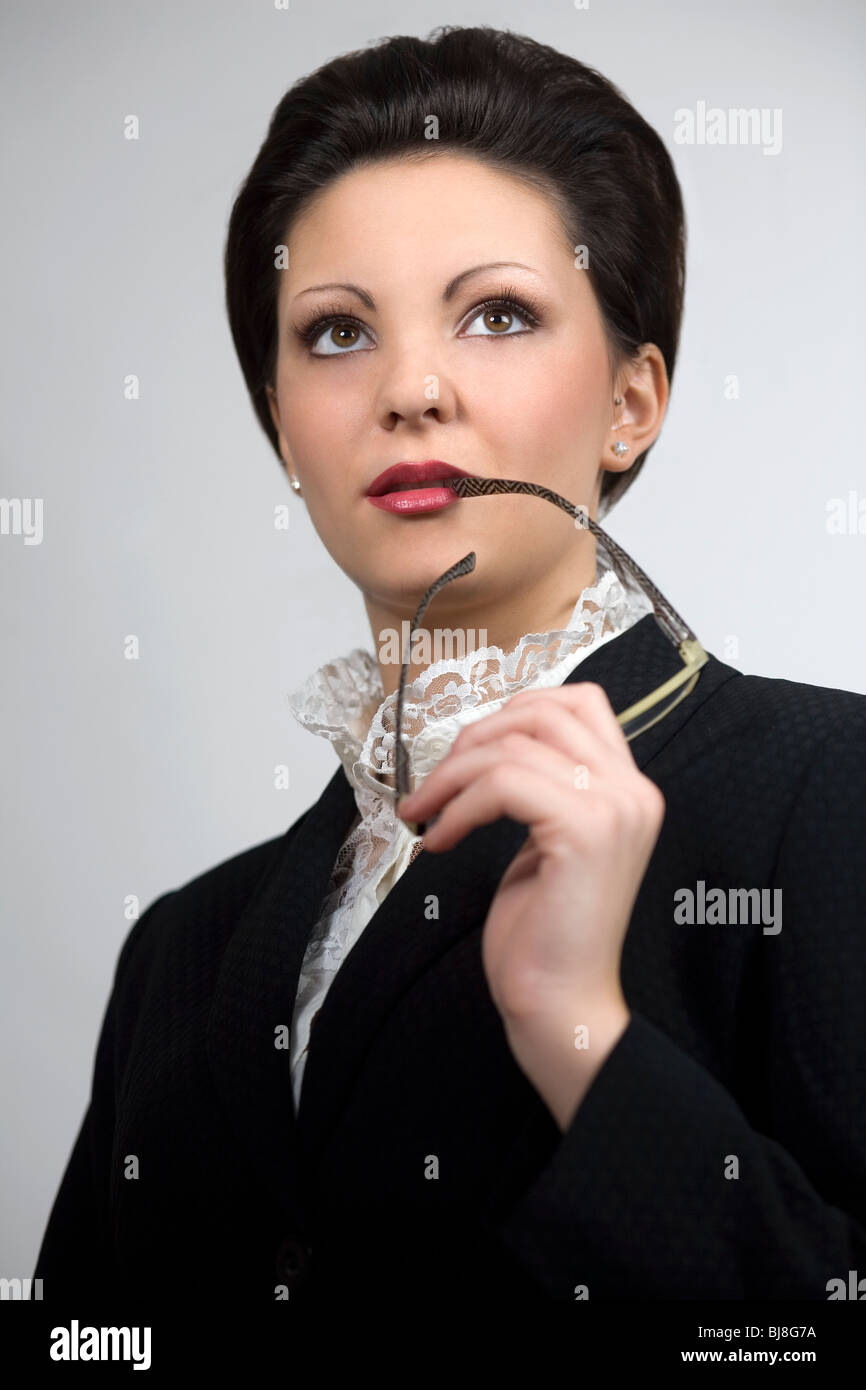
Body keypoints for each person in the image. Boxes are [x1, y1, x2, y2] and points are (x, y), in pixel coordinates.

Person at [34, 25, 866, 1309]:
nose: (411, 388)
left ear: (632, 401)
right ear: (282, 429)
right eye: (333, 334)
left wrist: (579, 1034)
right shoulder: (183, 951)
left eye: (496, 314)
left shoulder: (826, 797)